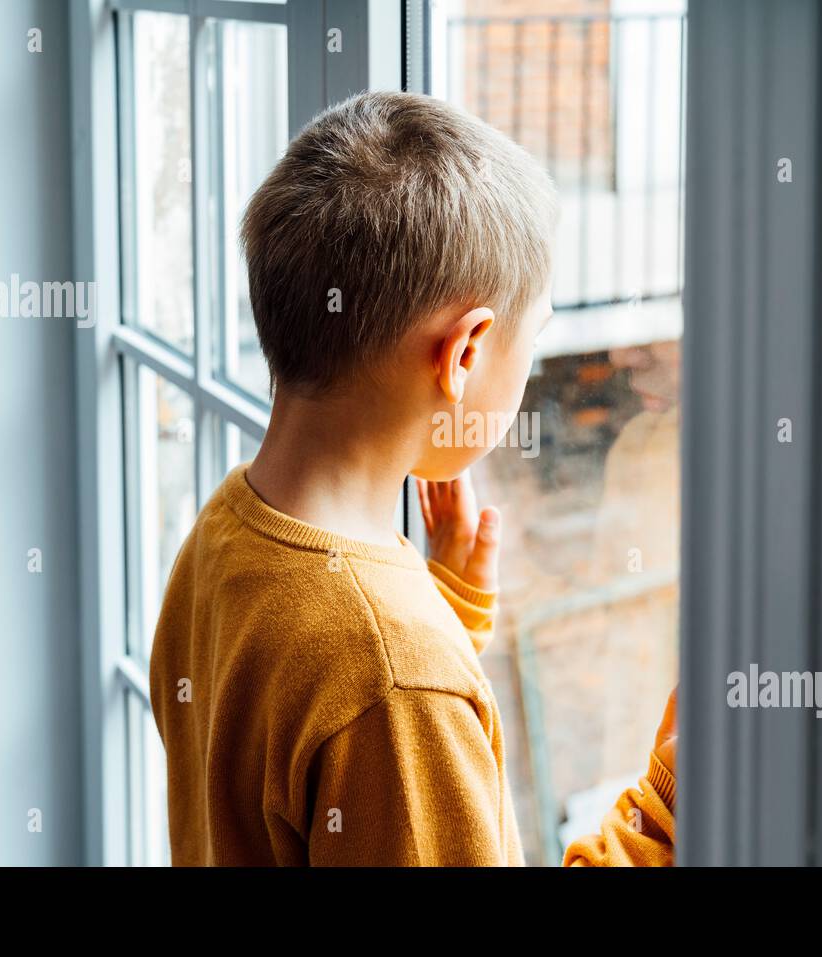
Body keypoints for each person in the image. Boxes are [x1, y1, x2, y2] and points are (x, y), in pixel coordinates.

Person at [149, 90, 676, 865]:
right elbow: (375, 704)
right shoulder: (394, 679)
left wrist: (444, 613)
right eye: (535, 337)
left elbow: (319, 774)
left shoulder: (223, 532)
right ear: (464, 354)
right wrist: (662, 815)